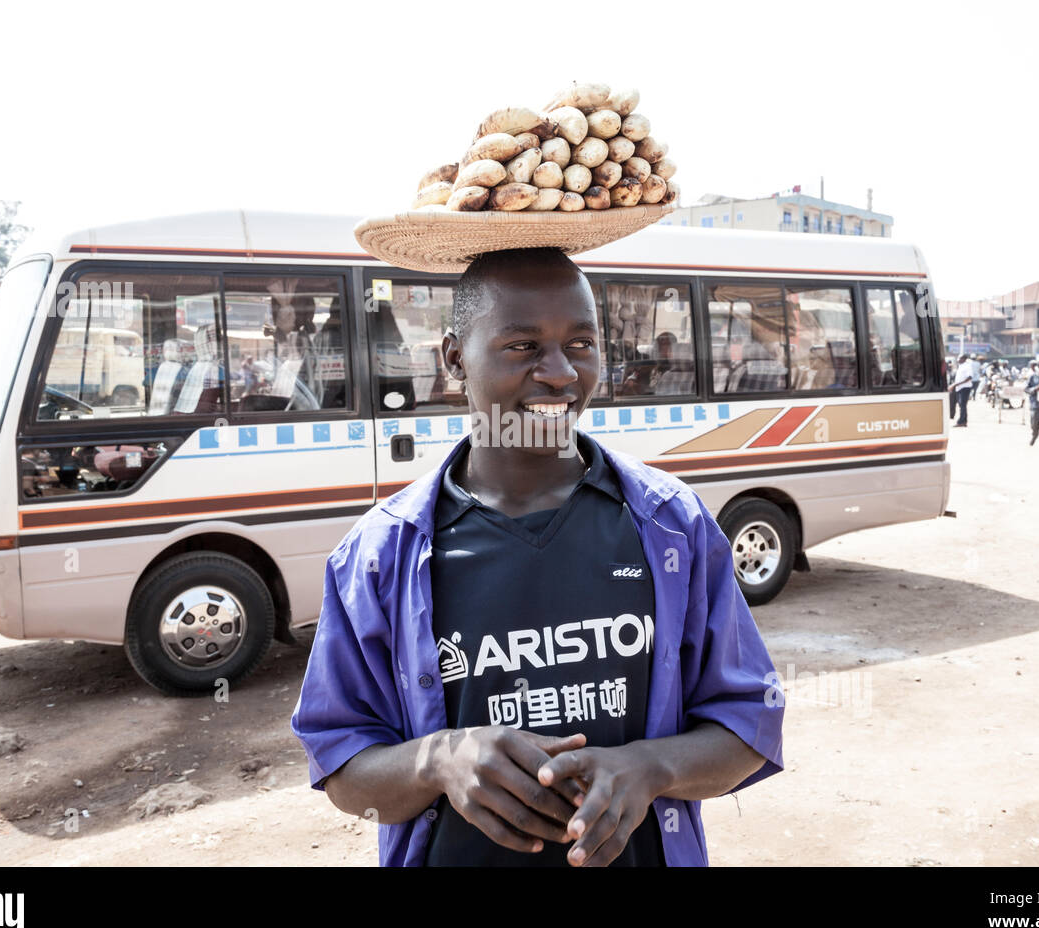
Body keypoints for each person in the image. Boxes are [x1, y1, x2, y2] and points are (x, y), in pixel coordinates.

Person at [289, 247, 784, 867]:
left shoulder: (671, 526)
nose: (560, 373)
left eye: (580, 344)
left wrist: (650, 767)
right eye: (523, 346)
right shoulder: (379, 555)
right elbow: (343, 771)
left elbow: (748, 726)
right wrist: (439, 759)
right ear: (453, 359)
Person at [950, 354, 973, 427]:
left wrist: (956, 384)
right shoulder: (961, 366)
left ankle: (961, 421)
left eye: (959, 358)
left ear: (964, 359)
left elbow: (969, 377)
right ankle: (964, 421)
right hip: (959, 388)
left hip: (964, 388)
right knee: (961, 405)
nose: (958, 359)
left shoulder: (967, 366)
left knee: (962, 405)